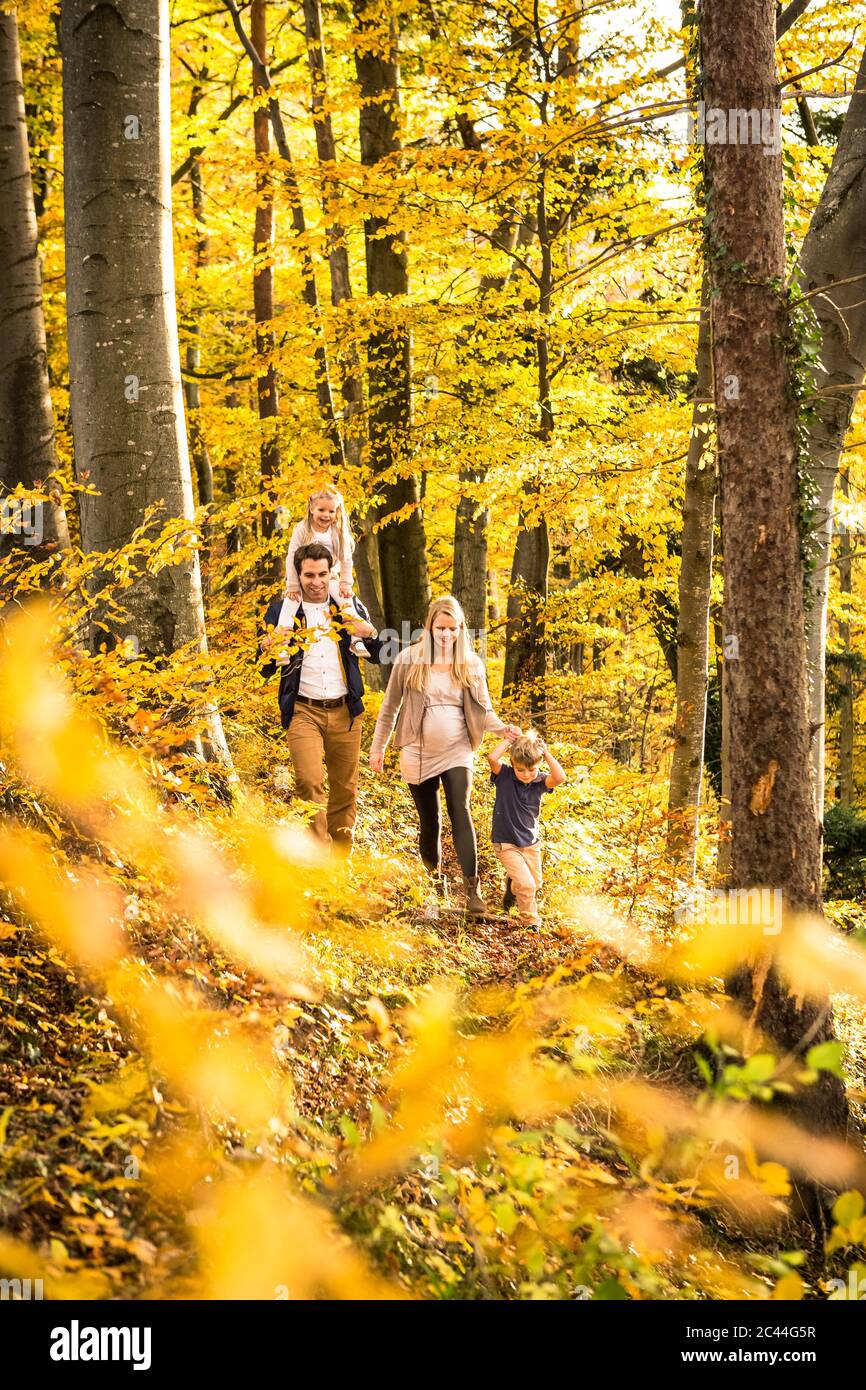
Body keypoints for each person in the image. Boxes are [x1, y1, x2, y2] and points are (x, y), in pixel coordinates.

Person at [368, 595, 519, 916]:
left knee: (460, 812)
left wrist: (503, 729)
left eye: (453, 628)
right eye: (441, 627)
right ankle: (434, 885)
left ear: (461, 628)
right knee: (430, 822)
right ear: (430, 626)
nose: (447, 634)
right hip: (417, 751)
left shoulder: (471, 664)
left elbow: (484, 711)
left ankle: (472, 890)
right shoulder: (409, 659)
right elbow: (389, 707)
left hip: (457, 750)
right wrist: (378, 747)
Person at [261, 542, 384, 851]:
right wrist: (267, 647)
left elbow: (379, 655)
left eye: (322, 574)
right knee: (308, 780)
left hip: (345, 710)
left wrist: (369, 632)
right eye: (309, 575)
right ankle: (318, 855)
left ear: (332, 574)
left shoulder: (346, 604)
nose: (316, 582)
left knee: (345, 789)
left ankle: (341, 858)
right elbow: (264, 668)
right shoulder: (282, 610)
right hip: (303, 710)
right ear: (298, 575)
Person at [487, 730, 566, 928]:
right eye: (521, 770)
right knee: (527, 885)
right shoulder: (504, 776)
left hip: (531, 842)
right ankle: (531, 922)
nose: (526, 775)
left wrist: (545, 752)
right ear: (513, 764)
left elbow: (560, 777)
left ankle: (511, 889)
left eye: (531, 770)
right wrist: (508, 741)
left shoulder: (539, 781)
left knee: (535, 884)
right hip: (505, 841)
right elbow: (492, 757)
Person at [279, 486, 355, 626]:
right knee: (291, 601)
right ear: (311, 508)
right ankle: (282, 639)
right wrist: (293, 585)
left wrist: (345, 583)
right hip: (303, 576)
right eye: (321, 510)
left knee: (345, 599)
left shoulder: (337, 532)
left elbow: (346, 558)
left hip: (328, 575)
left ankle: (356, 639)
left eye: (331, 511)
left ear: (336, 512)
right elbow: (291, 556)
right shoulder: (302, 529)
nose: (326, 515)